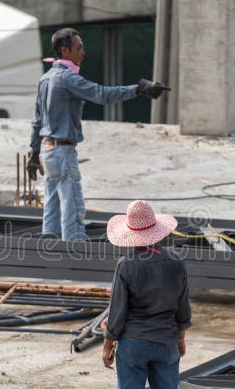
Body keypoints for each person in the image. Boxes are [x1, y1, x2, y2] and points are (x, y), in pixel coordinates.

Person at [28, 28, 169, 241]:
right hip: (63, 152)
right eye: (79, 48)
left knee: (53, 207)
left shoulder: (45, 79)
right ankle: (75, 254)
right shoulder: (67, 79)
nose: (82, 53)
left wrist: (34, 152)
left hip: (49, 152)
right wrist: (139, 89)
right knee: (72, 207)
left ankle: (50, 252)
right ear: (65, 51)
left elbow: (38, 120)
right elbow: (101, 94)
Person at [101, 200, 191, 389]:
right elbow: (183, 305)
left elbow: (117, 311)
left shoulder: (126, 266)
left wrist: (108, 345)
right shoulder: (176, 262)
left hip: (134, 343)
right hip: (166, 342)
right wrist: (181, 336)